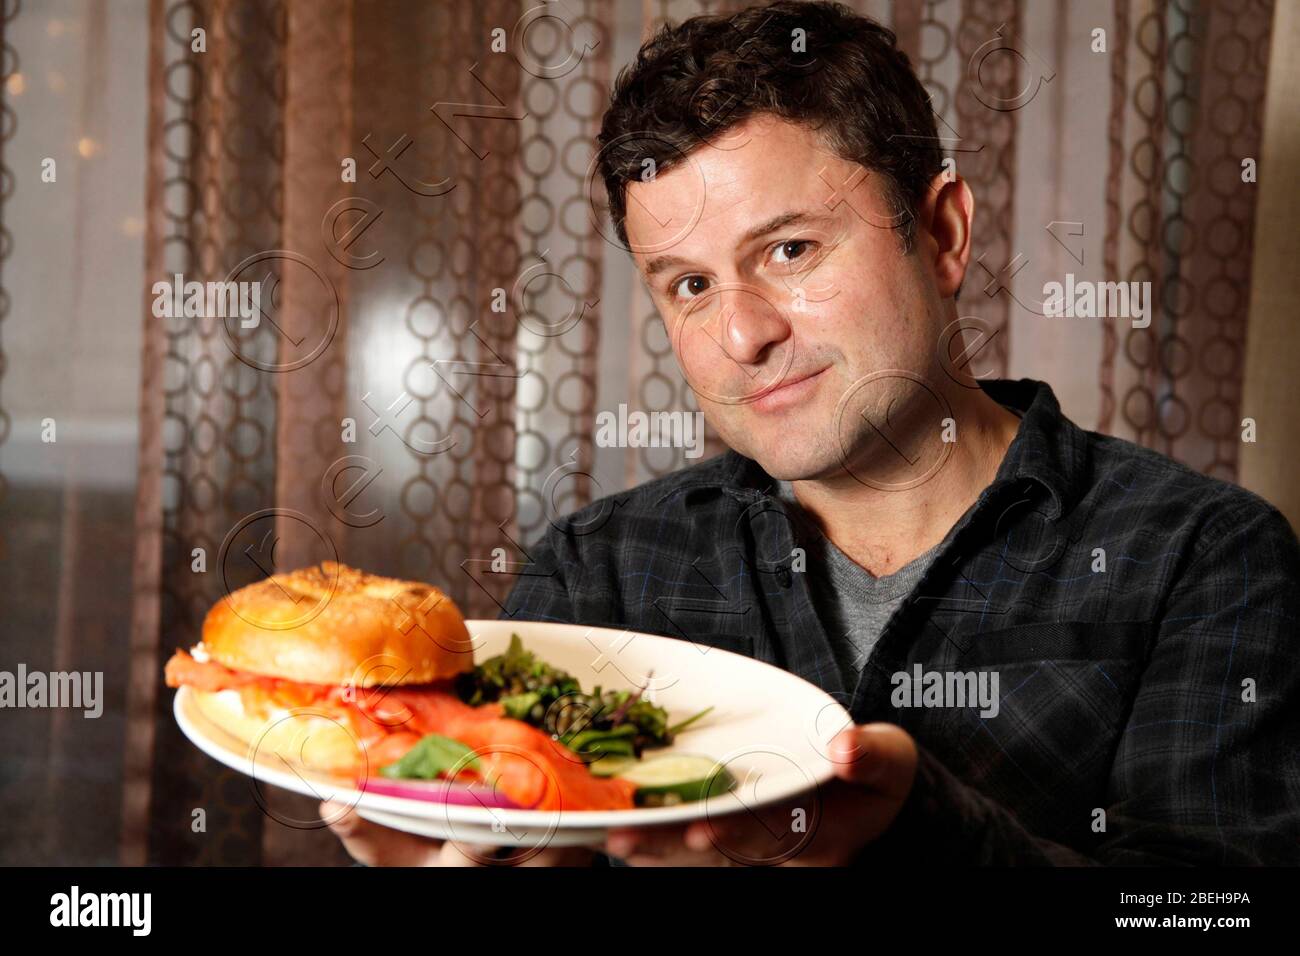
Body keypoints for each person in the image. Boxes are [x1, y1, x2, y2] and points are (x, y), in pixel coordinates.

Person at [324, 0, 1300, 866]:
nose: (742, 334)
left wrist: (920, 830)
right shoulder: (596, 571)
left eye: (789, 249)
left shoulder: (1205, 558)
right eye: (691, 284)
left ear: (944, 233)